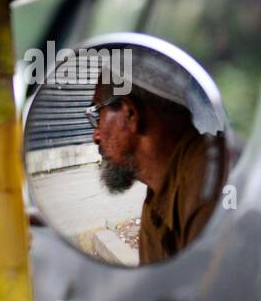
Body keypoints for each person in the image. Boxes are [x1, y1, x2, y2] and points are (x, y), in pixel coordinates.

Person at [87, 75, 222, 264]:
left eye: (98, 114)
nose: (96, 136)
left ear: (130, 114)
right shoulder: (159, 190)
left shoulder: (206, 186)